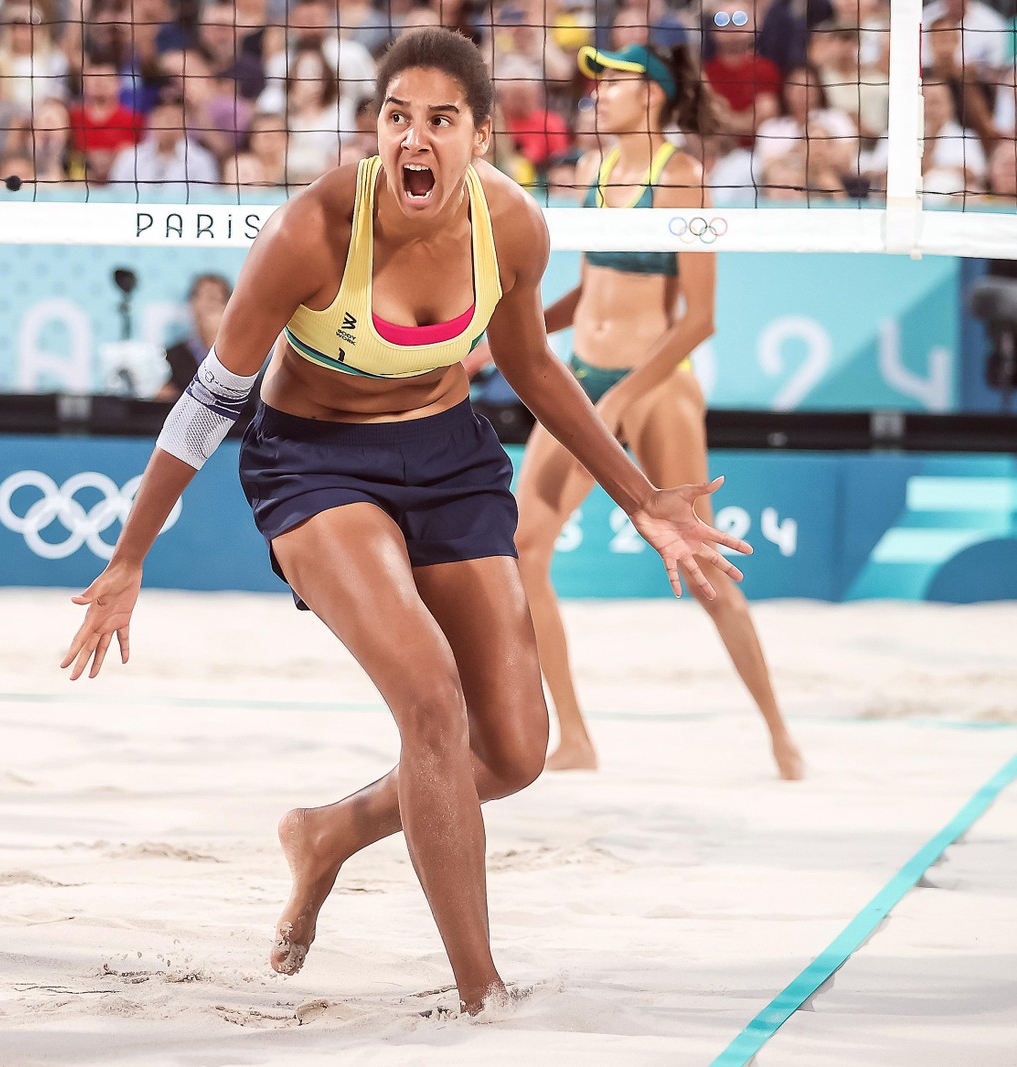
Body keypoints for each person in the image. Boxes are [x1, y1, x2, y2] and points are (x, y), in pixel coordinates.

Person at [60, 27, 752, 1015]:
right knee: (430, 699)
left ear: (481, 137)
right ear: (375, 126)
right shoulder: (310, 229)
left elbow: (532, 366)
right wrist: (131, 556)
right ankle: (481, 992)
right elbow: (209, 401)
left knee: (513, 751)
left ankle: (328, 831)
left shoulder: (511, 225)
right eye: (396, 117)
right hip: (312, 461)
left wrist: (643, 496)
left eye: (439, 119)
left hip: (446, 456)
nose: (413, 138)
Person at [468, 42, 801, 779]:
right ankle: (574, 738)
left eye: (612, 84)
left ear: (650, 95)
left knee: (703, 564)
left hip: (655, 385)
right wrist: (492, 348)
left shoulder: (681, 179)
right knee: (523, 550)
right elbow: (588, 292)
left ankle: (780, 734)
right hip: (584, 376)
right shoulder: (594, 169)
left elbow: (700, 319)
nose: (597, 96)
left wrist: (624, 393)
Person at [156, 272, 232, 400]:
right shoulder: (172, 356)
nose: (212, 305)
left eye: (219, 299)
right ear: (192, 304)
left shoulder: (240, 357)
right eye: (207, 297)